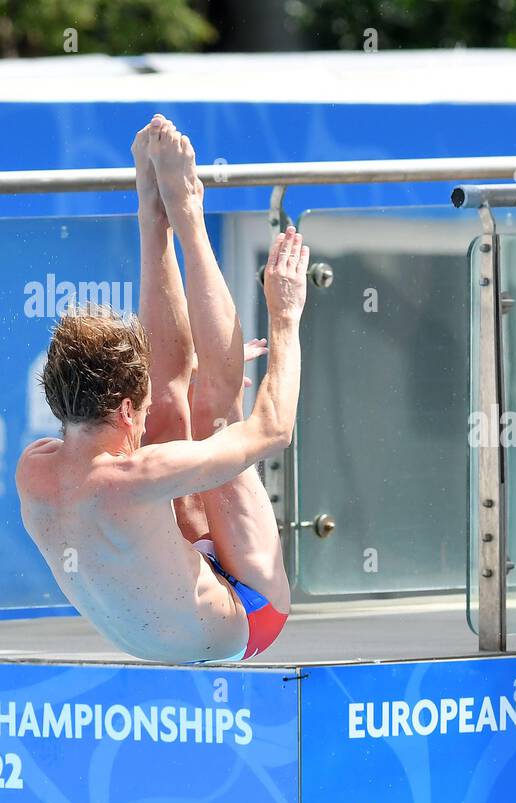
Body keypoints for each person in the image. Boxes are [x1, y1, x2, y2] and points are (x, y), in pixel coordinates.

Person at [16, 115, 308, 662]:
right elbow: (274, 430)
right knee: (215, 409)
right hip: (247, 616)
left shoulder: (34, 469)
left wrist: (172, 387)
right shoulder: (137, 475)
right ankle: (186, 213)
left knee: (178, 410)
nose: (149, 410)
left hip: (164, 615)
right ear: (127, 411)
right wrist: (285, 315)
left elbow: (136, 433)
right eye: (140, 403)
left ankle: (153, 216)